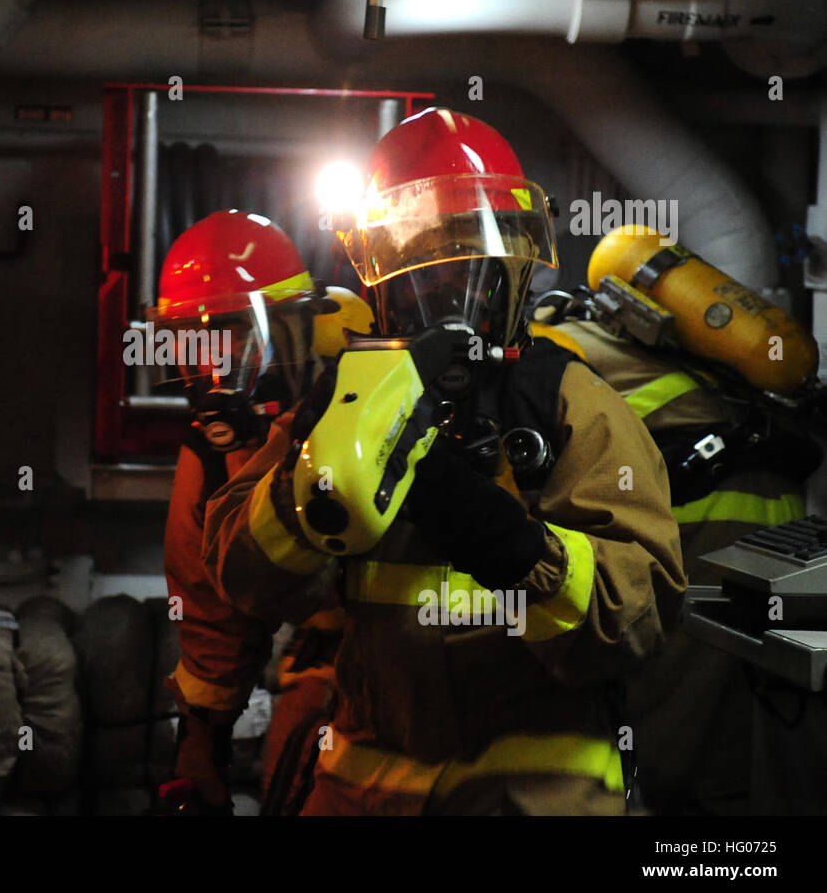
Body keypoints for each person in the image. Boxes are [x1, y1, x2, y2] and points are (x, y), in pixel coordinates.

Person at [201, 108, 687, 815]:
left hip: (538, 786)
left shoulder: (564, 401)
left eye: (468, 267)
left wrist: (511, 545)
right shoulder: (346, 402)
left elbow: (636, 621)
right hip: (366, 784)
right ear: (381, 282)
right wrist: (320, 471)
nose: (445, 298)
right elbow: (241, 579)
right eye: (419, 272)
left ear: (511, 272)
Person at [532, 228, 822, 814]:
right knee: (753, 760)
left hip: (694, 569)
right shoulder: (678, 354)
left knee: (666, 765)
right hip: (778, 557)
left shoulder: (547, 361)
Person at [147, 209, 370, 813]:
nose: (217, 365)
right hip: (323, 671)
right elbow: (210, 611)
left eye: (239, 333)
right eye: (198, 341)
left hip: (430, 667)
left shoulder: (370, 397)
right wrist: (199, 749)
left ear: (298, 330)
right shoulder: (214, 452)